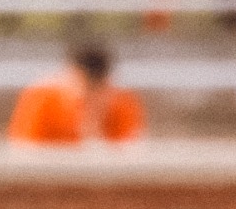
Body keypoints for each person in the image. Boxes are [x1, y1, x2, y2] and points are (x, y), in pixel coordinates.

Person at [8, 40, 146, 145]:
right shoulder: (40, 98)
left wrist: (94, 132)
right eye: (82, 90)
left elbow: (132, 153)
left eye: (95, 91)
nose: (88, 99)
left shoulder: (121, 102)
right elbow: (23, 150)